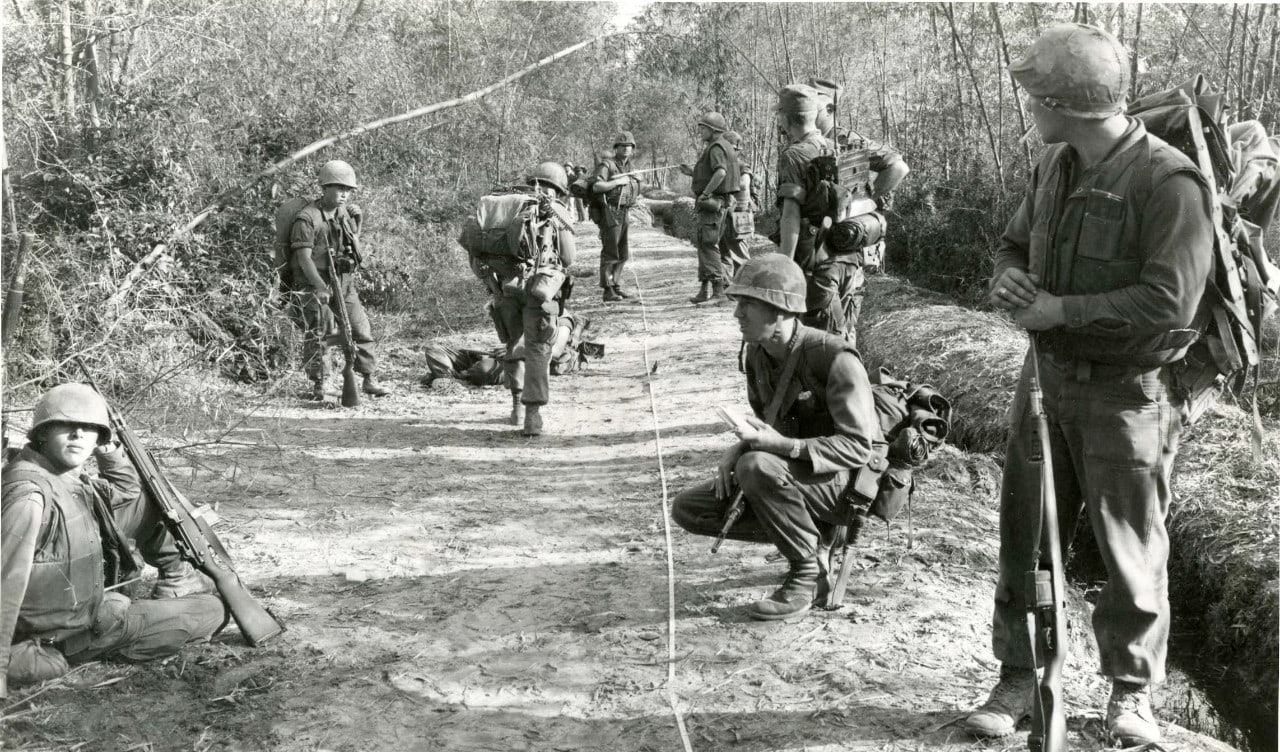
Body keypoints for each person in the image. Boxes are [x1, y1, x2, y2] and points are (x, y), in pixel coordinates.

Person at [962, 24, 1213, 748]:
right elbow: (1013, 242)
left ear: (1064, 103)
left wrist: (1059, 311)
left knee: (1129, 542)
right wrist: (1008, 274)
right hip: (1044, 380)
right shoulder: (1054, 166)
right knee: (1026, 534)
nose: (1030, 108)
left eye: (1036, 96)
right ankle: (1019, 676)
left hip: (1128, 393)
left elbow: (1171, 303)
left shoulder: (1168, 184)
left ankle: (1131, 694)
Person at [670, 255, 883, 622]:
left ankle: (806, 575)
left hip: (847, 483)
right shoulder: (759, 353)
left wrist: (781, 449)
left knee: (757, 466)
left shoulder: (834, 358)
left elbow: (858, 446)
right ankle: (810, 537)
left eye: (748, 304)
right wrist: (735, 449)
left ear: (783, 311)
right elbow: (774, 422)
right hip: (799, 473)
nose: (737, 314)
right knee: (690, 508)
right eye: (738, 303)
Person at [1, 384, 226, 698]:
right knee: (216, 610)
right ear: (42, 433)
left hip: (84, 612)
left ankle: (174, 581)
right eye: (67, 425)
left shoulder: (66, 478)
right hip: (71, 636)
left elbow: (130, 495)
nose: (79, 434)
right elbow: (4, 586)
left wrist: (109, 449)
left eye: (90, 428)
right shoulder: (32, 496)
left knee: (150, 502)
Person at [806, 78, 910, 341]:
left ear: (829, 108)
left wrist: (866, 200)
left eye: (812, 103)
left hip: (843, 247)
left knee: (839, 325)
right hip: (816, 247)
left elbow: (898, 167)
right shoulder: (805, 143)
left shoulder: (846, 140)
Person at [288, 160, 390, 402]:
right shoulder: (307, 219)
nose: (344, 194)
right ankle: (320, 384)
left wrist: (359, 224)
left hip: (344, 282)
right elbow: (303, 258)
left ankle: (368, 379)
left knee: (360, 329)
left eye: (348, 190)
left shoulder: (343, 213)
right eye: (339, 188)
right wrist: (319, 287)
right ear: (324, 188)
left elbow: (353, 245)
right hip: (316, 283)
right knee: (319, 333)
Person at [490, 162, 577, 437]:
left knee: (512, 342)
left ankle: (515, 406)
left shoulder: (509, 205)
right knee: (538, 348)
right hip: (539, 290)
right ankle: (532, 416)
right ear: (559, 188)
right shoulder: (555, 211)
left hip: (506, 287)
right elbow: (569, 257)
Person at [423, 313, 595, 387]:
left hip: (526, 362)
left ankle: (457, 377)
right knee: (433, 351)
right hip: (501, 355)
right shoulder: (522, 305)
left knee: (482, 371)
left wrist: (514, 351)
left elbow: (554, 352)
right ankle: (452, 377)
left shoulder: (563, 320)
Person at [684, 112, 739, 305]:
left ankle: (718, 293)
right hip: (721, 203)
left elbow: (721, 172)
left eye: (703, 128)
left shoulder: (716, 147)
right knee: (706, 245)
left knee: (708, 245)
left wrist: (706, 193)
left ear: (714, 130)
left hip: (713, 204)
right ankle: (704, 290)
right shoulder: (724, 146)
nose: (700, 132)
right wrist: (692, 173)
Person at [592, 133, 641, 302]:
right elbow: (597, 186)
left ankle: (616, 284)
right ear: (616, 148)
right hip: (610, 212)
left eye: (629, 146)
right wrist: (617, 182)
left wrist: (637, 180)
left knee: (623, 252)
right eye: (622, 146)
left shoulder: (631, 167)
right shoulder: (607, 165)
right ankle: (608, 289)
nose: (626, 148)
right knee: (610, 251)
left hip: (625, 211)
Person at [720, 131, 754, 279]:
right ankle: (727, 288)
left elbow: (744, 184)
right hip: (724, 213)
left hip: (740, 214)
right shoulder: (724, 165)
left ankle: (745, 289)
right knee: (724, 252)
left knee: (740, 255)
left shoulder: (741, 166)